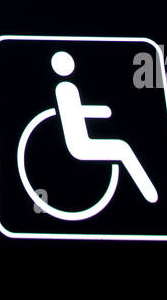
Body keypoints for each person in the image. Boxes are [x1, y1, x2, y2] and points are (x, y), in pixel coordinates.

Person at [50, 51, 158, 203]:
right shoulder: (66, 88)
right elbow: (72, 112)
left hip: (81, 141)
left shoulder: (67, 86)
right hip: (79, 145)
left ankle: (151, 196)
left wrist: (101, 112)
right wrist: (103, 111)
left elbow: (76, 112)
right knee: (122, 148)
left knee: (122, 147)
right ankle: (150, 195)